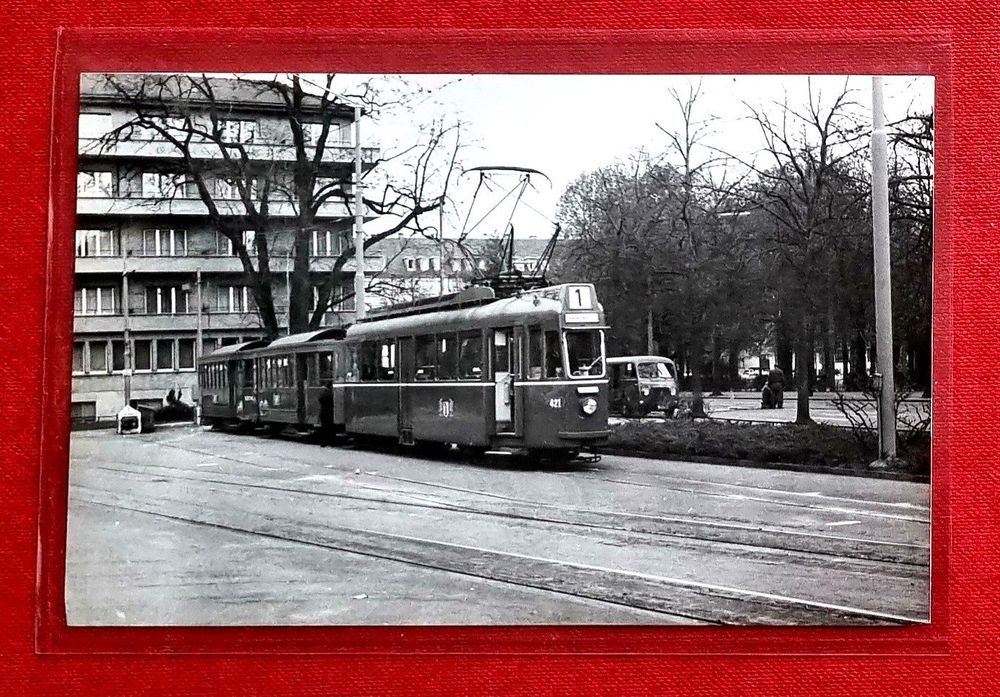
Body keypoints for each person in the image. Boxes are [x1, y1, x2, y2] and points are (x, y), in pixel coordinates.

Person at [318, 381, 335, 447]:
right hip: (329, 412)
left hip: (323, 412)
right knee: (329, 428)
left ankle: (323, 443)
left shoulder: (322, 393)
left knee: (324, 428)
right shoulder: (330, 394)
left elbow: (320, 400)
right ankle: (331, 442)